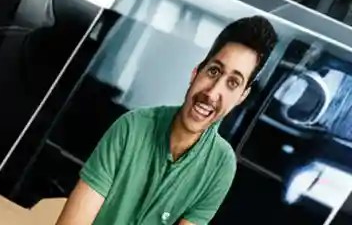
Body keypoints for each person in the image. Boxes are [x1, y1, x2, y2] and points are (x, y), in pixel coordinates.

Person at [54, 15, 279, 225]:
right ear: (196, 72)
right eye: (213, 71)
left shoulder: (221, 166)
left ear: (242, 96)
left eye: (233, 83)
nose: (212, 93)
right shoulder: (131, 128)